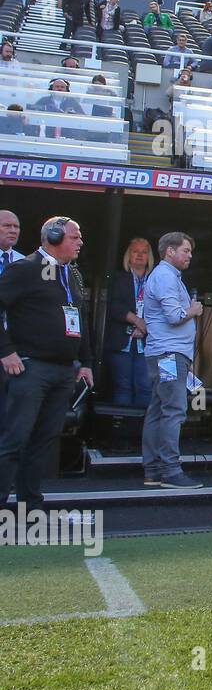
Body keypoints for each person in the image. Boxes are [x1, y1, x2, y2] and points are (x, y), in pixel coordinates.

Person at [0, 217, 95, 508]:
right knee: (15, 440)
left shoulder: (72, 274)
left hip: (64, 370)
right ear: (52, 237)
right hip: (30, 368)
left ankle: (31, 505)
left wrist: (87, 361)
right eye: (74, 237)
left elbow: (79, 319)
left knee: (43, 442)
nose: (80, 242)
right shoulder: (24, 269)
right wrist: (6, 351)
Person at [141, 231, 204, 489]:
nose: (189, 256)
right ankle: (170, 470)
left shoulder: (166, 276)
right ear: (170, 251)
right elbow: (175, 315)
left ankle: (153, 470)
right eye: (185, 251)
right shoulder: (166, 276)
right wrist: (194, 310)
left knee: (158, 410)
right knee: (174, 410)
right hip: (169, 354)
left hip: (164, 353)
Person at [105, 237, 155, 407]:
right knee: (122, 387)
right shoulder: (119, 278)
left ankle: (142, 432)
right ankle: (121, 430)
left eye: (144, 252)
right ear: (128, 255)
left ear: (149, 256)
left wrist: (145, 326)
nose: (140, 255)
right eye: (135, 251)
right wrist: (136, 320)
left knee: (145, 387)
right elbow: (113, 305)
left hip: (148, 344)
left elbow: (163, 309)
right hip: (121, 342)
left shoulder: (156, 280)